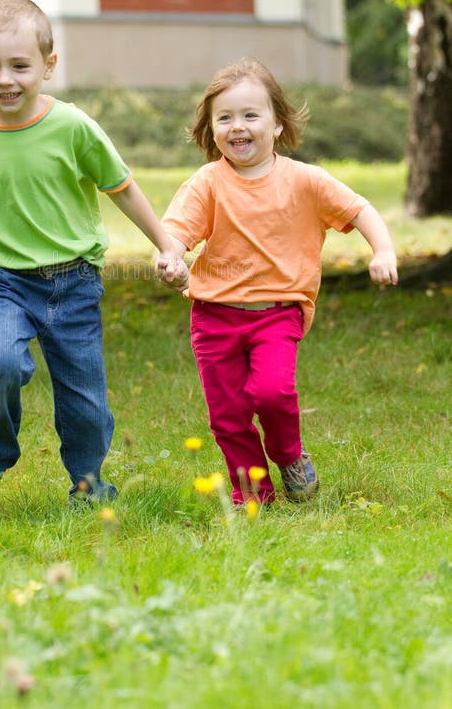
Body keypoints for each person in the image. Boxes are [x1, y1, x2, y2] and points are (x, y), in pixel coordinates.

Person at [0, 0, 182, 519]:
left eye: (19, 66)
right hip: (1, 277)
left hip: (73, 281)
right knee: (4, 361)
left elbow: (121, 187)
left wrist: (165, 242)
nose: (4, 79)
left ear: (48, 66)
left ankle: (86, 481)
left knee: (85, 398)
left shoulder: (73, 127)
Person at [156, 57, 398, 506]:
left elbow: (360, 209)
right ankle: (254, 493)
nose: (237, 126)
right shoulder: (207, 182)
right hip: (213, 317)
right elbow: (175, 234)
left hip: (278, 312)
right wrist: (170, 259)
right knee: (227, 416)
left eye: (250, 115)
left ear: (278, 125)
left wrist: (382, 250)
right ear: (211, 129)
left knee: (271, 391)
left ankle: (288, 455)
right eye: (224, 118)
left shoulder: (305, 180)